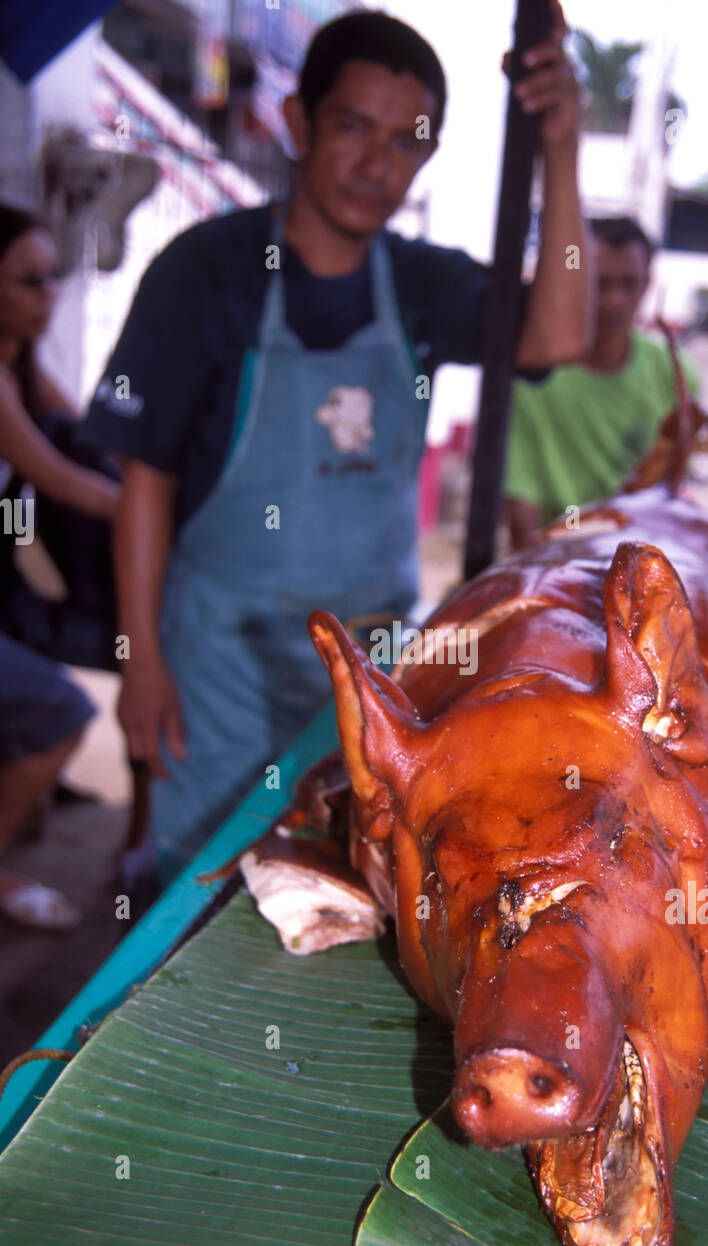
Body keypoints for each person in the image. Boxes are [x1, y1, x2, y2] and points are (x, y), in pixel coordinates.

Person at [77, 6, 591, 884]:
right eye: (353, 127)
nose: (374, 164)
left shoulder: (427, 285)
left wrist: (561, 150)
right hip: (218, 666)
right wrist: (142, 663)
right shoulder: (205, 271)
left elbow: (554, 336)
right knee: (193, 889)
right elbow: (146, 479)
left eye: (404, 142)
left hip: (370, 665)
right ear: (298, 122)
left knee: (346, 887)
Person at [0, 203, 120, 927]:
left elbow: (87, 442)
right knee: (61, 712)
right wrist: (158, 514)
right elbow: (66, 479)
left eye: (54, 279)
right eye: (29, 280)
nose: (49, 295)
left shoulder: (22, 367)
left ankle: (138, 846)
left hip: (11, 590)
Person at [505, 216, 699, 548]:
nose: (614, 300)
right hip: (560, 557)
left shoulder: (674, 372)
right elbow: (522, 517)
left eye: (629, 284)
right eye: (601, 283)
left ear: (647, 285)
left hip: (647, 559)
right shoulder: (532, 375)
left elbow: (674, 489)